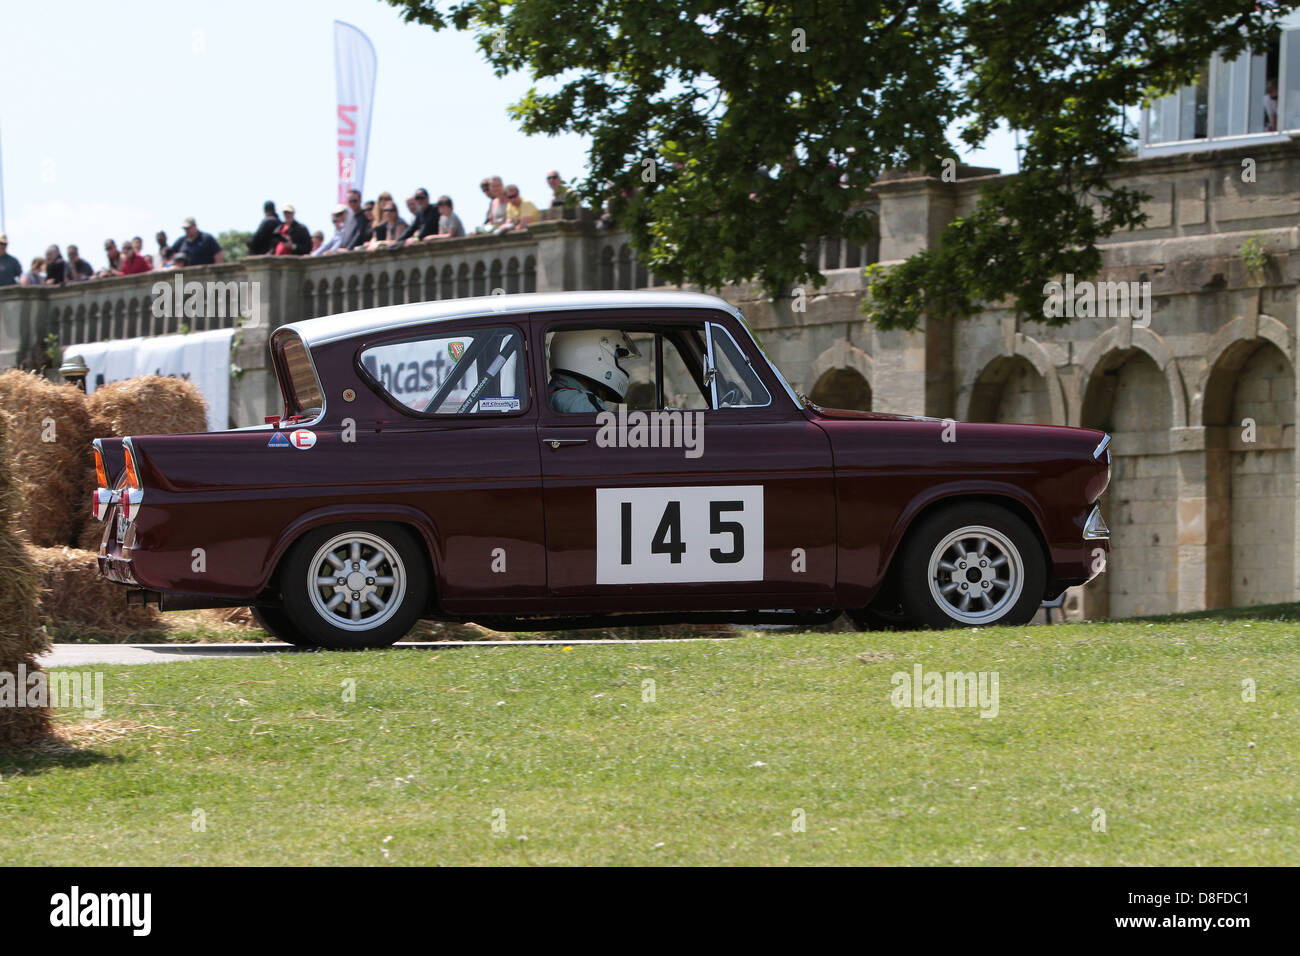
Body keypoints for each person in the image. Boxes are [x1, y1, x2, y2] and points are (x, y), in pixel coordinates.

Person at [548, 329, 639, 413]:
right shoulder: (581, 403)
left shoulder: (554, 394)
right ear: (596, 357)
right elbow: (611, 430)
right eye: (616, 358)